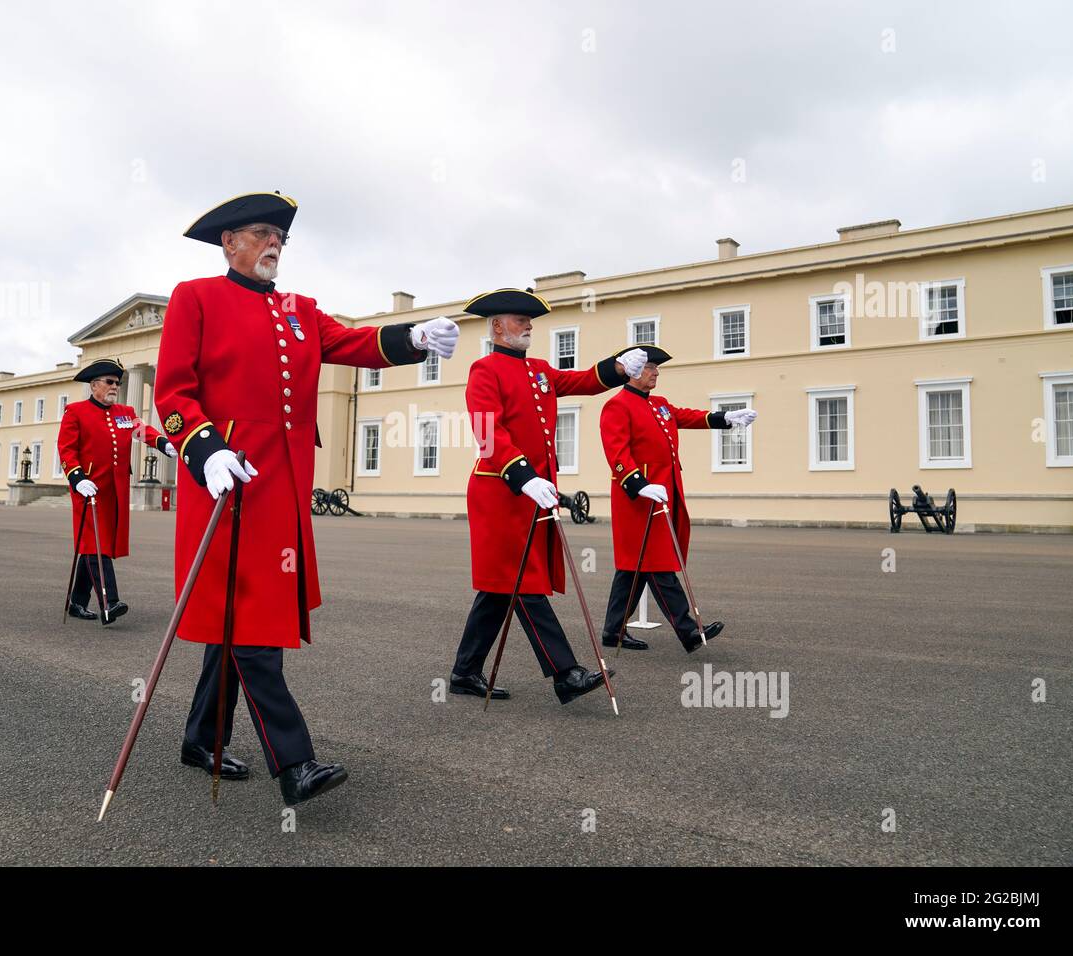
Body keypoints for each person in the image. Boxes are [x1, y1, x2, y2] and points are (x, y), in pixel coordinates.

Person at [156, 191, 460, 805]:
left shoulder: (301, 309)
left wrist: (415, 338)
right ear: (229, 242)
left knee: (237, 619)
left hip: (283, 490)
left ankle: (200, 739)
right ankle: (294, 764)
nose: (274, 244)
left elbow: (354, 344)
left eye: (281, 237)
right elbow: (172, 394)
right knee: (253, 626)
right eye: (263, 233)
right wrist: (204, 447)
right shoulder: (196, 297)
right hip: (226, 483)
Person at [449, 287, 648, 705]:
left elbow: (580, 381)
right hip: (500, 490)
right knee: (523, 581)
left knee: (501, 586)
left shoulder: (539, 369)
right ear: (498, 327)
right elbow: (488, 432)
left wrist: (616, 367)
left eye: (529, 320)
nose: (528, 327)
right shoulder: (484, 370)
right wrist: (522, 474)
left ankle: (464, 672)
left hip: (533, 492)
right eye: (520, 320)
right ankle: (565, 673)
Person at [598, 345, 757, 652]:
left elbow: (690, 416)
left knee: (635, 568)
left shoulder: (659, 404)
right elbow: (616, 452)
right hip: (638, 498)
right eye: (649, 368)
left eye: (657, 368)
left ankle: (612, 630)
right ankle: (689, 631)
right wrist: (638, 483)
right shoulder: (617, 406)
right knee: (658, 563)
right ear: (632, 371)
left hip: (664, 494)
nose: (656, 372)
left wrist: (727, 418)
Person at [59, 358, 175, 624]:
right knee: (95, 545)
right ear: (94, 385)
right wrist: (76, 478)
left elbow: (141, 430)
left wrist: (162, 443)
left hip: (115, 491)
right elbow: (66, 449)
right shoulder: (75, 411)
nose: (115, 387)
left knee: (97, 544)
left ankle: (77, 602)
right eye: (110, 382)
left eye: (118, 383)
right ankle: (109, 602)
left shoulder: (124, 411)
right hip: (89, 489)